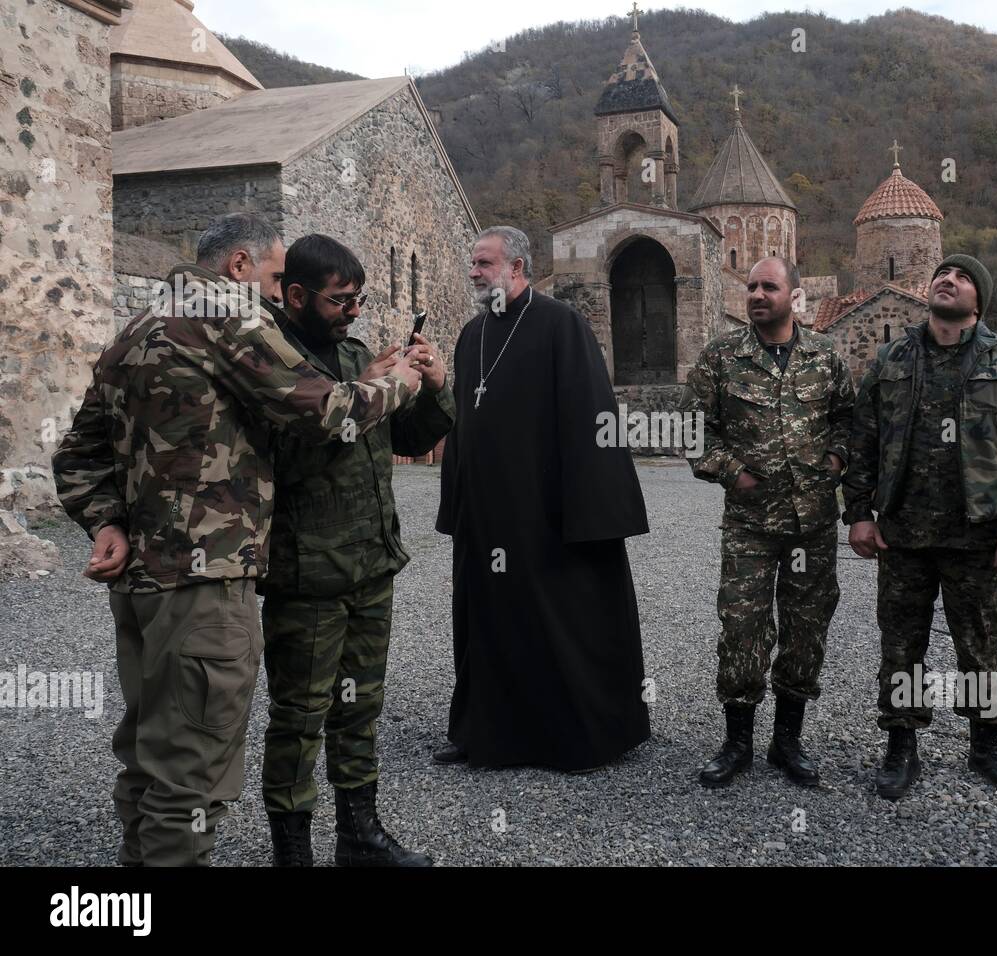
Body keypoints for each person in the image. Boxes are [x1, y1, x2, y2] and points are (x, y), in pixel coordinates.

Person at [52, 213, 421, 866]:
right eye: (278, 278)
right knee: (191, 775)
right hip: (202, 587)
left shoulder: (136, 330)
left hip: (140, 587)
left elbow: (77, 451)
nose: (283, 296)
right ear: (240, 267)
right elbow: (326, 414)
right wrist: (397, 385)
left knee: (149, 762)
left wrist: (105, 523)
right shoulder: (226, 314)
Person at [259, 234, 454, 866]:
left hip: (372, 564)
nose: (354, 310)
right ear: (296, 295)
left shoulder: (354, 354)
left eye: (359, 298)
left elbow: (411, 436)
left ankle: (359, 835)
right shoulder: (273, 362)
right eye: (341, 300)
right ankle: (293, 853)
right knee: (299, 718)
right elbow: (287, 457)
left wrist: (431, 385)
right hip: (308, 574)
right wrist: (366, 394)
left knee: (359, 706)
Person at [431, 226, 651, 771]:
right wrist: (456, 505)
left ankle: (573, 737)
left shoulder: (561, 325)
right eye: (473, 263)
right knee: (487, 624)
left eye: (484, 263)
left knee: (559, 623)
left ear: (518, 268)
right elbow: (463, 424)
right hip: (486, 518)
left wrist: (592, 512)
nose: (475, 272)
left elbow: (593, 419)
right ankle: (487, 732)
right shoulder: (470, 336)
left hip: (545, 514)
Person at [844, 254, 997, 800]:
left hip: (977, 534)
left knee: (979, 643)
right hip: (903, 534)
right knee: (901, 644)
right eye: (942, 273)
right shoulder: (892, 358)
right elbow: (861, 441)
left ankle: (986, 744)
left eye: (961, 277)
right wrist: (859, 515)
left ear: (977, 299)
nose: (948, 279)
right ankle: (901, 744)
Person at [681, 257, 855, 788]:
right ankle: (737, 744)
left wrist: (836, 461)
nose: (757, 293)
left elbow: (851, 422)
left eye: (769, 286)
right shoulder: (720, 358)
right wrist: (734, 474)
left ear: (793, 296)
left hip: (813, 525)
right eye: (752, 286)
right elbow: (692, 431)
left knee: (806, 630)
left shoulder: (825, 356)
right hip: (750, 526)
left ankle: (787, 741)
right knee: (742, 629)